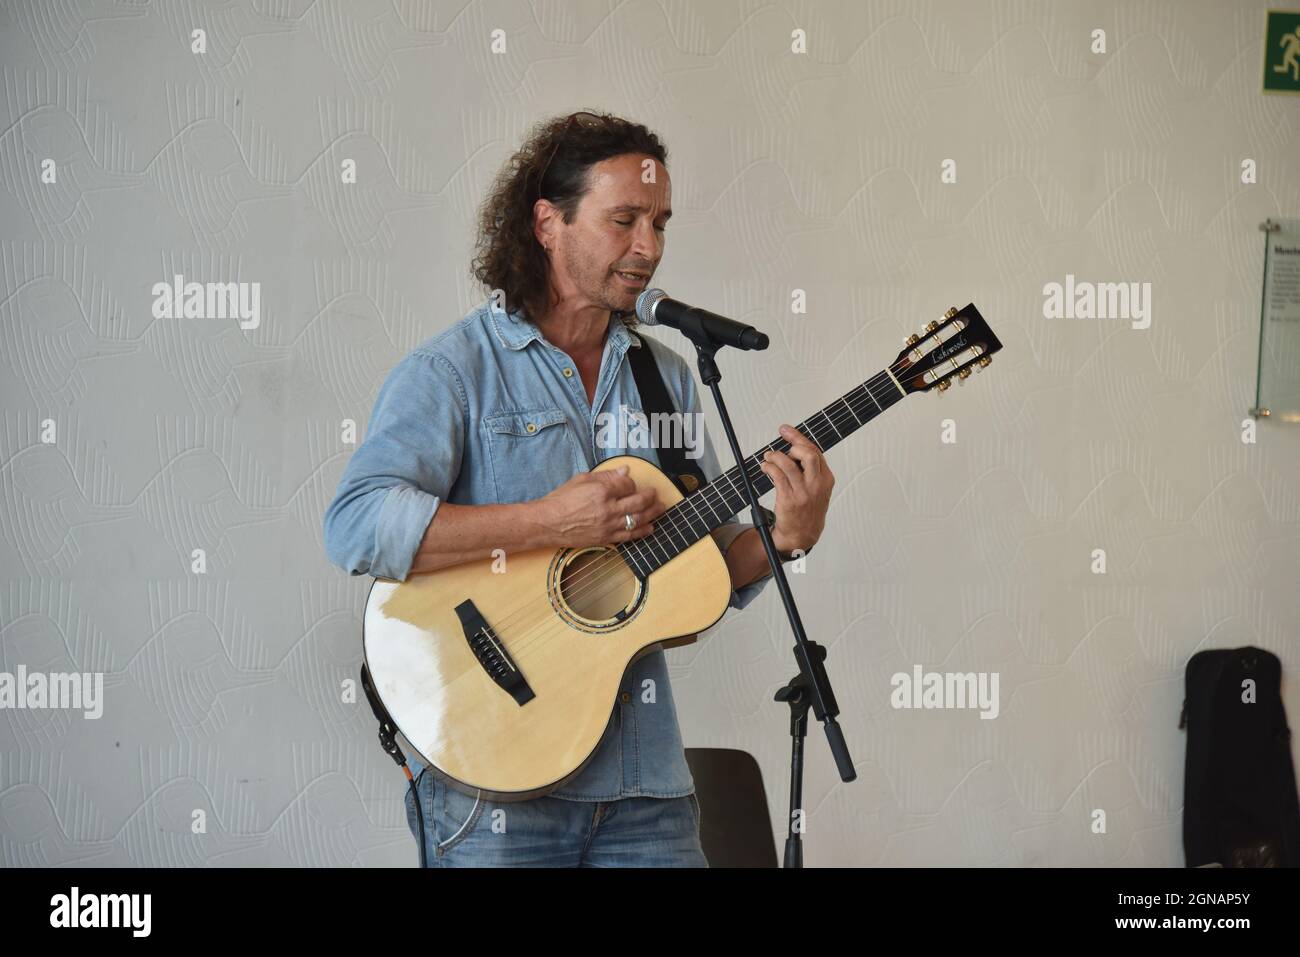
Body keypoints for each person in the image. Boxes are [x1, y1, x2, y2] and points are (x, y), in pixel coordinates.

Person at [323, 110, 834, 866]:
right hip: (493, 789)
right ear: (547, 222)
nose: (648, 248)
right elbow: (357, 526)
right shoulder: (454, 371)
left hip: (646, 793)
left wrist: (786, 538)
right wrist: (546, 522)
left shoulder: (668, 378)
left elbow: (707, 566)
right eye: (623, 220)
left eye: (660, 223)